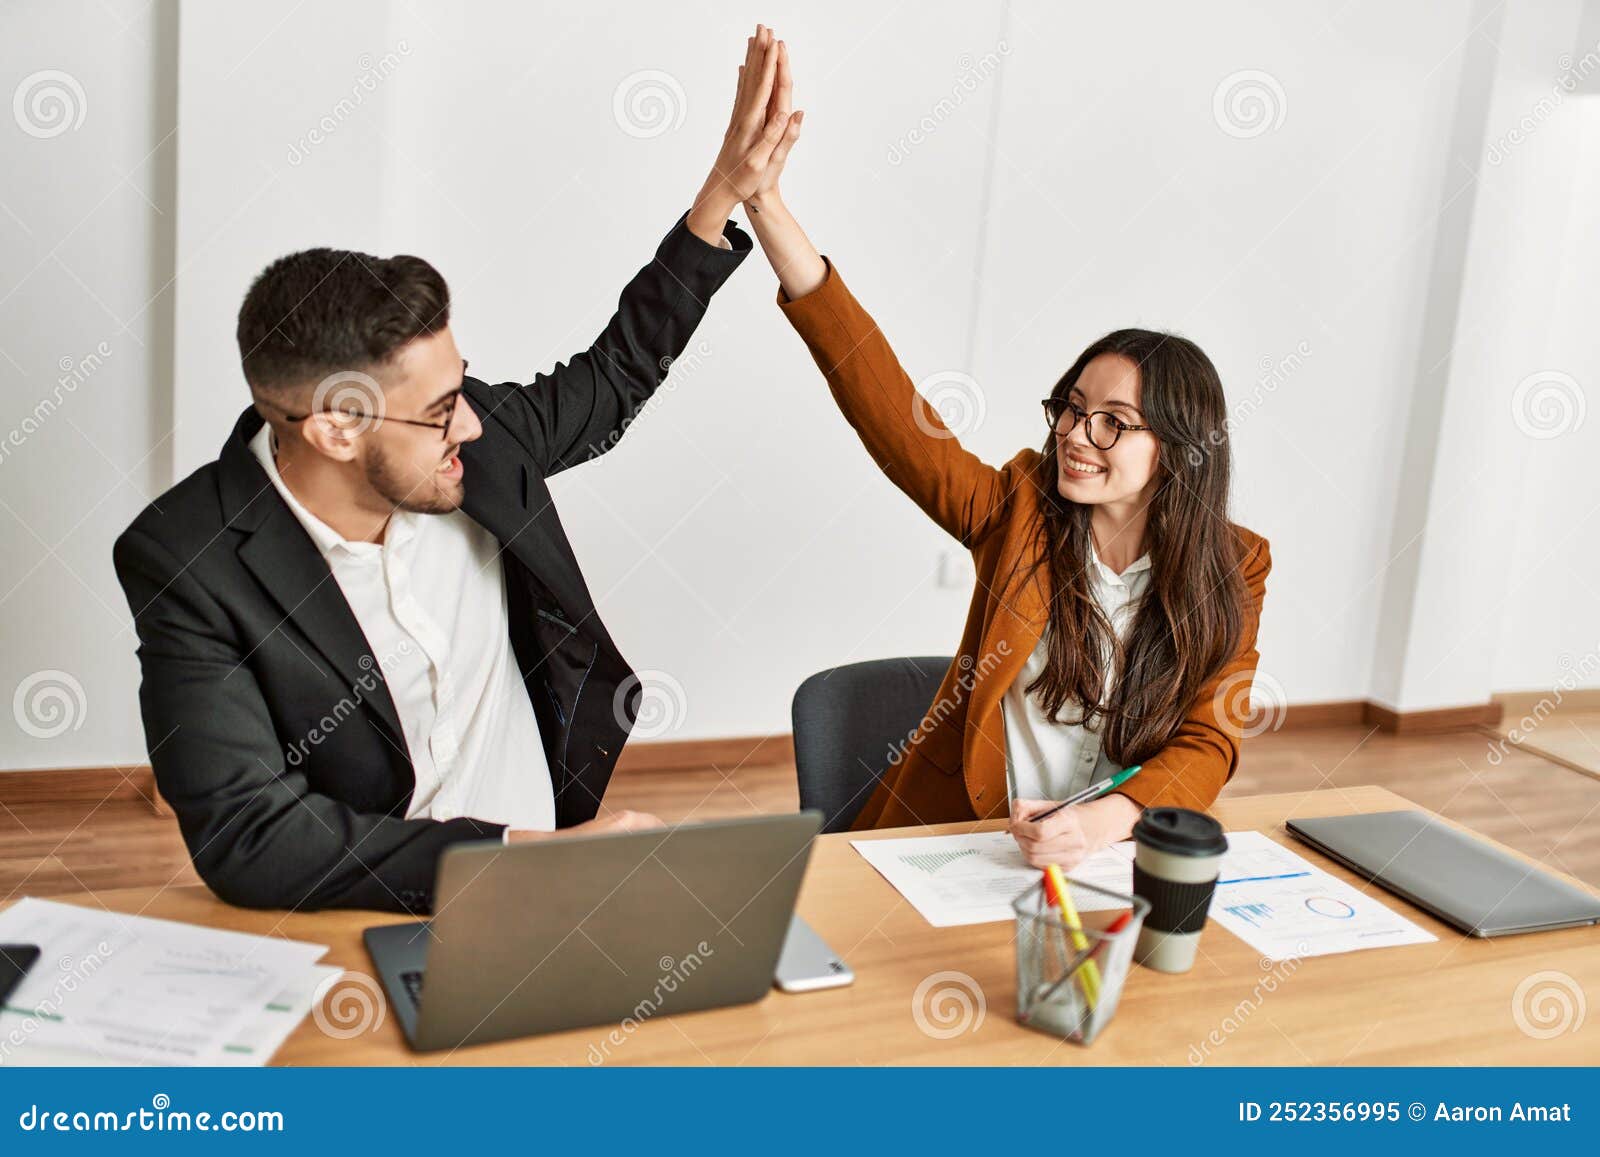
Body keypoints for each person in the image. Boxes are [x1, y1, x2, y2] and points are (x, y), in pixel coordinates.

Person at [112, 27, 798, 912]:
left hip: (560, 887)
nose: (470, 421)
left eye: (461, 385)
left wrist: (719, 199)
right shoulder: (188, 560)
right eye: (439, 409)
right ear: (334, 429)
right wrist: (518, 857)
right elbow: (249, 834)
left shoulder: (473, 437)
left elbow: (615, 373)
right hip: (376, 912)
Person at [740, 34, 1271, 870]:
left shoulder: (1235, 566)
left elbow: (1209, 738)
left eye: (1111, 422)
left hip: (1104, 855)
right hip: (960, 845)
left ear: (1179, 452)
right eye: (1070, 408)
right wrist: (766, 204)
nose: (1073, 433)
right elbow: (888, 408)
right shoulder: (1016, 506)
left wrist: (1110, 819)